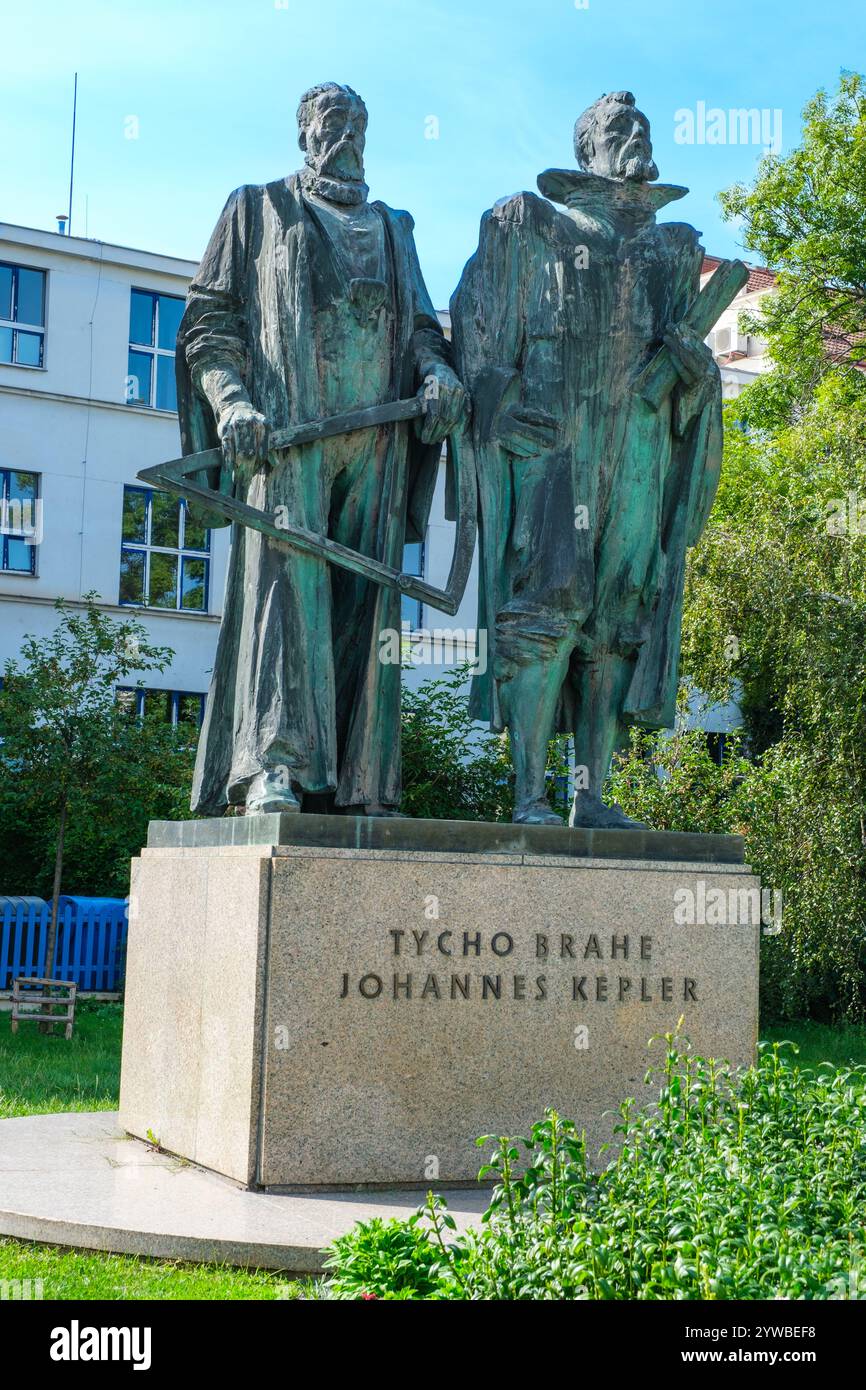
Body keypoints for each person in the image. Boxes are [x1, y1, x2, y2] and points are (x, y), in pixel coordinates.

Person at [176, 82, 466, 816]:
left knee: (367, 608)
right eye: (332, 122)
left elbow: (426, 331)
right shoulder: (258, 208)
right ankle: (275, 764)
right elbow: (209, 325)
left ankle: (364, 781)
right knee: (286, 595)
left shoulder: (395, 228)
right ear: (304, 133)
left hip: (378, 436)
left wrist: (436, 374)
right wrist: (232, 402)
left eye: (358, 123)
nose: (347, 135)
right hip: (289, 439)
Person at [451, 91, 722, 826]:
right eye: (616, 130)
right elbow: (476, 326)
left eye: (642, 127)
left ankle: (591, 798)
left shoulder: (674, 249)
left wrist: (696, 372)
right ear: (586, 152)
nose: (634, 136)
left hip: (636, 449)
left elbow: (692, 381)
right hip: (555, 449)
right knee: (547, 608)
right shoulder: (528, 224)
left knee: (618, 617)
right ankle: (529, 797)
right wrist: (499, 409)